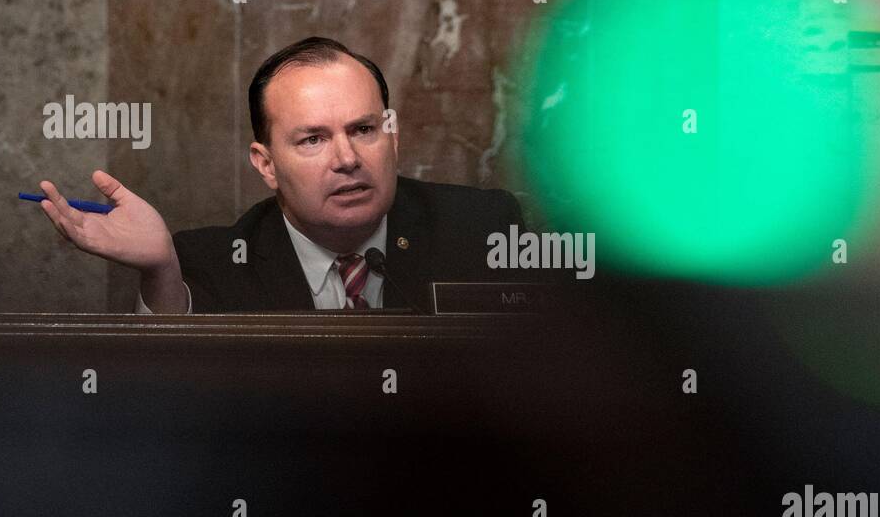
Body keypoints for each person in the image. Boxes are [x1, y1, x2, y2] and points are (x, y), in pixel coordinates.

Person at [37, 37, 525, 312]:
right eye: (312, 139)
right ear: (266, 164)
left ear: (393, 140)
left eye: (363, 129)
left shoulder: (482, 229)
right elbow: (172, 397)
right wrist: (161, 273)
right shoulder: (210, 263)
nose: (347, 158)